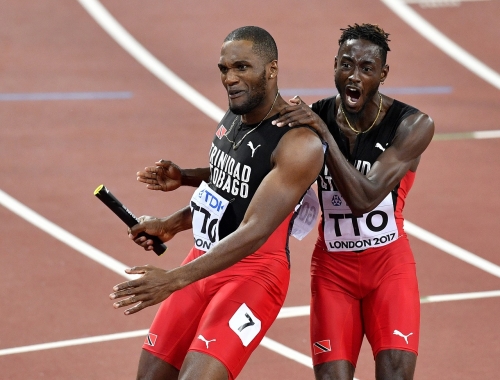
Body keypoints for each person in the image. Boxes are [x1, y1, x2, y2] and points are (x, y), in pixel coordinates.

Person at [109, 26, 324, 380]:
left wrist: (173, 280)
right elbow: (231, 184)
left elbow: (254, 230)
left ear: (271, 69)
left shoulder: (299, 143)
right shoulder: (236, 115)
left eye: (242, 67)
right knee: (150, 376)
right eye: (224, 69)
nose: (230, 78)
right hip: (204, 260)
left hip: (253, 274)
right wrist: (173, 219)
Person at [272, 23, 435, 380]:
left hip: (389, 270)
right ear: (334, 65)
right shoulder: (313, 119)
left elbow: (366, 198)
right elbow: (254, 173)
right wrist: (185, 177)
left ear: (383, 74)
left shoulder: (413, 125)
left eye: (366, 68)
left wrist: (323, 134)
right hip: (333, 273)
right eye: (346, 64)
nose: (354, 77)